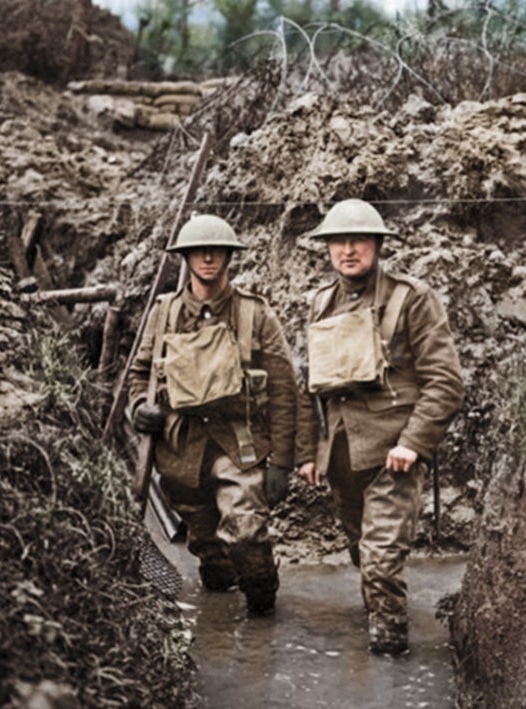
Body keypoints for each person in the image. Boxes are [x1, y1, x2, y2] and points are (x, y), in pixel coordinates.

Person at [296, 199, 464, 655]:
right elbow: (312, 386)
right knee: (361, 550)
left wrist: (413, 443)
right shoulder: (321, 303)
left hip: (394, 455)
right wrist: (309, 452)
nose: (348, 250)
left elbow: (445, 381)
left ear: (377, 245)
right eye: (338, 242)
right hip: (342, 456)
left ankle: (390, 646)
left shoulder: (412, 298)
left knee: (382, 559)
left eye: (359, 241)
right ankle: (376, 618)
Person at [128, 214, 297, 616]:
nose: (207, 257)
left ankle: (262, 605)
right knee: (209, 552)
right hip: (181, 450)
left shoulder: (254, 314)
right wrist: (140, 408)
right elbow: (139, 375)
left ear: (229, 256)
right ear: (185, 257)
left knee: (246, 532)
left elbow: (285, 391)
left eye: (216, 250)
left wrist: (282, 462)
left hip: (237, 445)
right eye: (199, 251)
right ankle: (218, 621)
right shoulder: (164, 313)